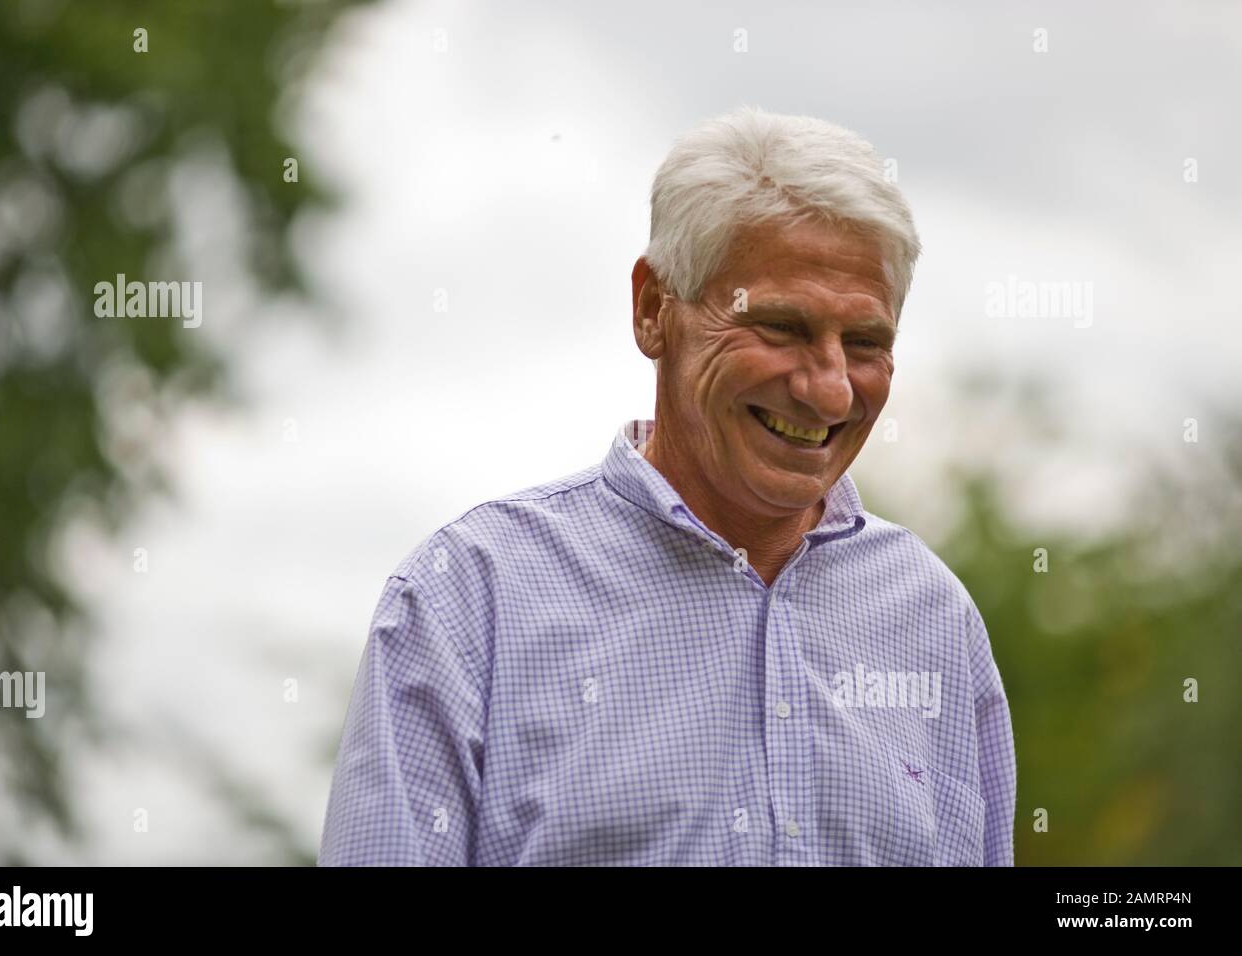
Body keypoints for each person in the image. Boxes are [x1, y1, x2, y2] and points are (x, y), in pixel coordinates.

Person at [319, 106, 1016, 866]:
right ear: (654, 310)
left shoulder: (933, 621)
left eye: (864, 343)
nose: (829, 392)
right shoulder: (470, 601)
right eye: (780, 327)